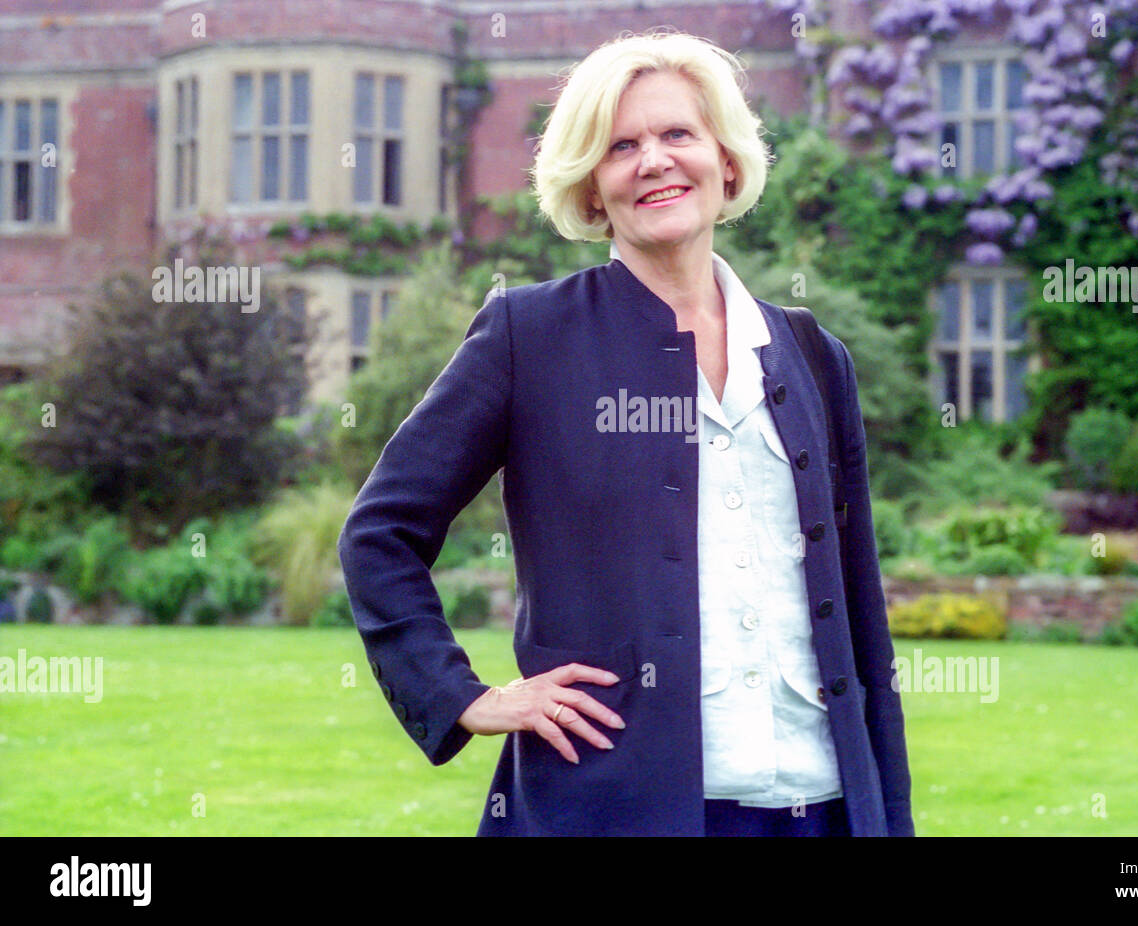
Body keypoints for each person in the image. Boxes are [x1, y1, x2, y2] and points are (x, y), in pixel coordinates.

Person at [337, 29, 914, 837]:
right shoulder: (526, 337)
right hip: (613, 809)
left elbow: (858, 604)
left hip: (819, 804)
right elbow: (380, 534)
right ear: (590, 190)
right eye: (621, 147)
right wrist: (466, 697)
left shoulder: (815, 353)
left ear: (727, 160)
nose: (655, 161)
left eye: (678, 134)